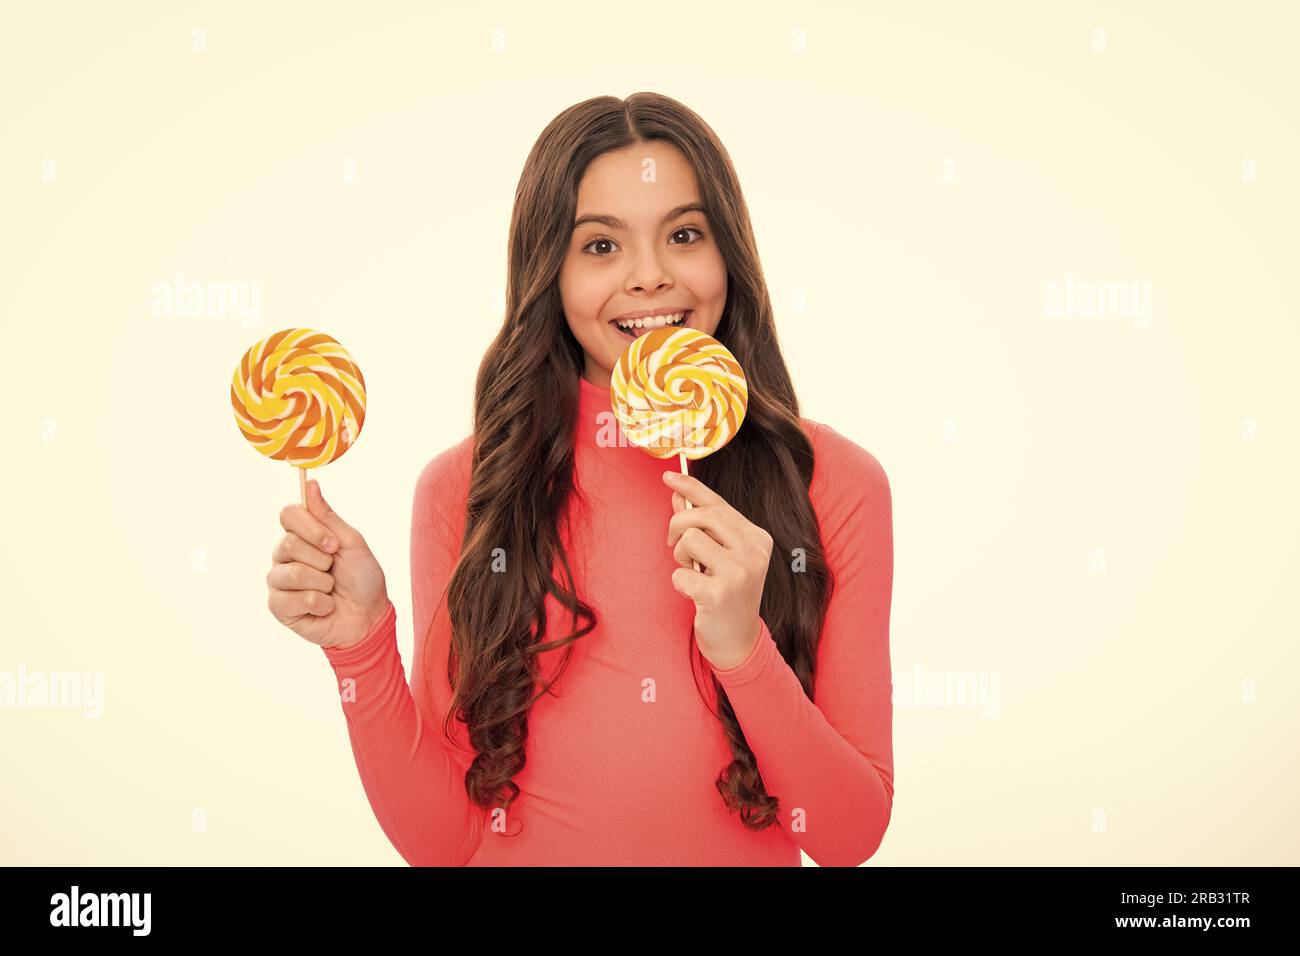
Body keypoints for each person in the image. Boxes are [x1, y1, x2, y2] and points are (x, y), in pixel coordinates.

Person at [266, 92, 894, 866]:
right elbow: (445, 842)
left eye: (685, 234)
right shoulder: (466, 489)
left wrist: (742, 647)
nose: (650, 277)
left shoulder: (832, 483)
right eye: (601, 246)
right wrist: (359, 643)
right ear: (549, 274)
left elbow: (846, 837)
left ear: (728, 251)